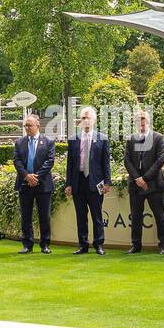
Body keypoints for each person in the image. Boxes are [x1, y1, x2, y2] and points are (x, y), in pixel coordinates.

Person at [64, 107, 112, 255]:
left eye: (88, 118)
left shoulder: (102, 138)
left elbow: (106, 163)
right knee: (81, 215)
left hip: (95, 182)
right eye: (83, 118)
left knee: (97, 216)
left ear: (94, 120)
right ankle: (83, 245)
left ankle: (98, 244)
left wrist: (108, 182)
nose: (85, 120)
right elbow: (70, 164)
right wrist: (68, 184)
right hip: (78, 182)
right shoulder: (73, 139)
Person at [124, 109, 164, 254]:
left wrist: (145, 178)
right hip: (136, 185)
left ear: (148, 122)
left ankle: (163, 245)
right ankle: (136, 245)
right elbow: (127, 160)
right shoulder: (131, 139)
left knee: (160, 216)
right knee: (136, 217)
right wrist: (138, 178)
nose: (141, 126)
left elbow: (160, 160)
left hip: (154, 184)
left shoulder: (158, 138)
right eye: (138, 123)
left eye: (143, 123)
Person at [13, 114, 55, 254]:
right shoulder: (19, 142)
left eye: (29, 125)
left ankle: (45, 244)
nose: (27, 128)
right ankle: (27, 244)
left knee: (44, 216)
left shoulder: (48, 142)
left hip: (42, 184)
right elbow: (17, 161)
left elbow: (50, 161)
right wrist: (26, 176)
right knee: (26, 216)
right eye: (25, 125)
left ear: (38, 126)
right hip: (25, 184)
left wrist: (36, 177)